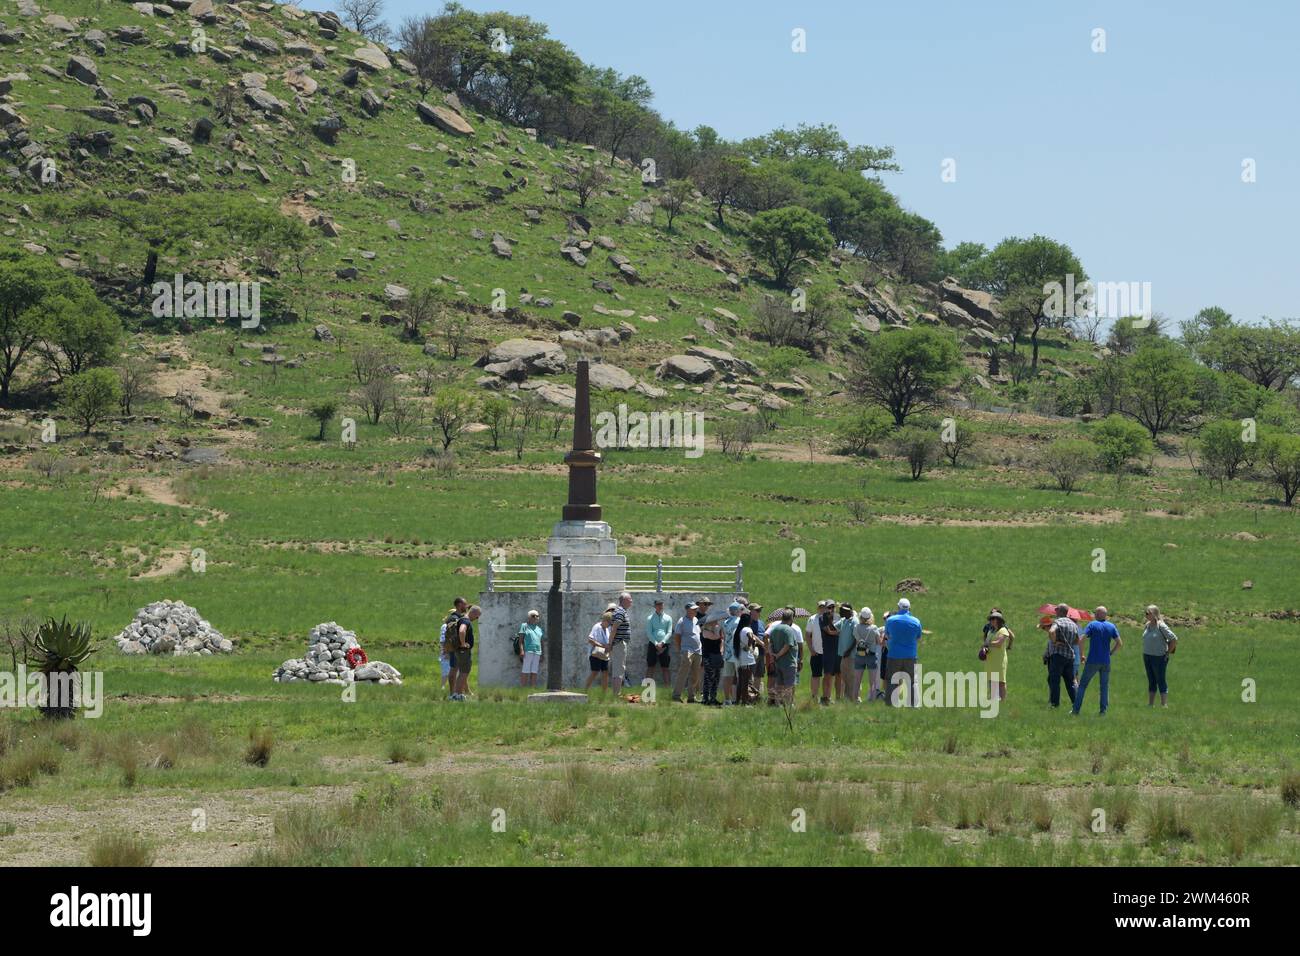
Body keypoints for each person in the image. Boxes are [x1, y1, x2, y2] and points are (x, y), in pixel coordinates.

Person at [1072, 606, 1122, 716]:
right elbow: (1119, 643)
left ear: (1098, 614)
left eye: (1095, 613)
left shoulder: (1092, 625)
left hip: (1093, 660)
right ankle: (1103, 711)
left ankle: (1076, 710)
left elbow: (1081, 639)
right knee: (1104, 687)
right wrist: (1111, 653)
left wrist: (1082, 654)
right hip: (1106, 661)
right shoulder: (1111, 626)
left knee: (1083, 685)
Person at [884, 598, 922, 707]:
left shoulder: (890, 620)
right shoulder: (916, 621)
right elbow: (918, 637)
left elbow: (887, 635)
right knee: (912, 681)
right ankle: (914, 705)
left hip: (894, 655)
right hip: (911, 655)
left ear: (898, 607)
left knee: (892, 680)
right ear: (909, 608)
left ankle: (890, 705)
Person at [1141, 605, 1177, 707]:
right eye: (1146, 613)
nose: (1146, 615)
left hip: (1159, 657)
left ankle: (1163, 704)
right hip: (1147, 655)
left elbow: (1173, 639)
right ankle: (1150, 704)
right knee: (1151, 679)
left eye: (1148, 613)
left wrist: (1167, 652)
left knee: (1160, 679)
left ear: (1155, 614)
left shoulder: (1161, 626)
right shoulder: (1147, 625)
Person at [1045, 604, 1079, 708]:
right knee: (1070, 682)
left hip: (1058, 655)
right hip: (1070, 656)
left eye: (1056, 610)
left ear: (1060, 611)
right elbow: (1077, 641)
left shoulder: (1058, 622)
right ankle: (1076, 704)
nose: (1055, 612)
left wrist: (1055, 642)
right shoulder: (1073, 624)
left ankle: (1055, 704)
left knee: (1054, 680)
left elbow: (1051, 631)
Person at [767, 608, 801, 705]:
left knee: (779, 685)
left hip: (778, 663)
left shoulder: (775, 629)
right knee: (789, 686)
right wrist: (777, 655)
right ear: (791, 619)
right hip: (789, 662)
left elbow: (770, 644)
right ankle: (788, 705)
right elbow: (788, 645)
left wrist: (772, 655)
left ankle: (778, 704)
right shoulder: (788, 630)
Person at [671, 602, 703, 703]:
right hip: (687, 650)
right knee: (683, 673)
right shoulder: (682, 621)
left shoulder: (696, 620)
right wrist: (681, 649)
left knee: (695, 674)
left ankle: (691, 697)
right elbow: (677, 636)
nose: (695, 611)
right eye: (693, 609)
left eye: (696, 609)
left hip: (698, 650)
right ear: (688, 610)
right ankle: (676, 695)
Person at [849, 607, 880, 703]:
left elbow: (857, 640)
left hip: (860, 654)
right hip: (871, 655)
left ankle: (856, 699)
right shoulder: (874, 628)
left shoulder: (856, 627)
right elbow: (878, 641)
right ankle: (872, 699)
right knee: (873, 681)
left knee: (857, 679)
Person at [450, 605, 480, 701]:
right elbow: (462, 631)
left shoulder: (462, 619)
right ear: (474, 613)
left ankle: (456, 694)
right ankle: (458, 695)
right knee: (464, 673)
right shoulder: (466, 621)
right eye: (477, 616)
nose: (477, 619)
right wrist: (463, 644)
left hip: (459, 650)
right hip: (463, 651)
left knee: (462, 672)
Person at [982, 609, 1012, 701]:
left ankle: (1002, 700)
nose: (991, 621)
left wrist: (987, 644)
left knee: (1001, 681)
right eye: (990, 619)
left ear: (997, 620)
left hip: (999, 659)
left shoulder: (1003, 630)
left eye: (992, 619)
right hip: (990, 659)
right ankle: (994, 698)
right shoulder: (991, 631)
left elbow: (999, 643)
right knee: (992, 679)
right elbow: (986, 642)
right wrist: (984, 648)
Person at [699, 600, 723, 706]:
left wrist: (721, 650)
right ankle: (705, 698)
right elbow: (716, 637)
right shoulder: (705, 632)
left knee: (716, 678)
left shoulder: (715, 629)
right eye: (715, 621)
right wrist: (719, 631)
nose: (717, 623)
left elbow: (721, 640)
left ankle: (713, 697)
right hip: (708, 656)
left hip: (717, 655)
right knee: (709, 677)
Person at [646, 598, 673, 690]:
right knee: (650, 667)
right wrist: (656, 643)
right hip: (653, 644)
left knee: (665, 667)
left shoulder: (668, 618)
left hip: (664, 645)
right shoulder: (650, 618)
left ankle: (667, 690)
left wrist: (662, 642)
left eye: (661, 604)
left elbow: (669, 632)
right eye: (658, 605)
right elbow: (649, 633)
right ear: (655, 606)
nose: (660, 606)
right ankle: (648, 690)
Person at [442, 596, 467, 696]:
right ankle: (453, 693)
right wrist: (461, 645)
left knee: (458, 669)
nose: (466, 606)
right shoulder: (454, 618)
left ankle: (457, 692)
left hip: (456, 648)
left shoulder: (455, 617)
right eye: (465, 604)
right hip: (457, 648)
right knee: (454, 669)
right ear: (460, 605)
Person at [817, 600, 841, 705]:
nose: (831, 609)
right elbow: (829, 631)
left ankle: (836, 697)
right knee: (827, 675)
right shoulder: (822, 618)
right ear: (826, 608)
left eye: (833, 607)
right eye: (829, 607)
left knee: (838, 674)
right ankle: (825, 696)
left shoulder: (838, 617)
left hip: (837, 650)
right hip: (828, 650)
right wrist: (840, 632)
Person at [610, 592, 633, 695]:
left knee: (619, 668)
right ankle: (616, 693)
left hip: (619, 643)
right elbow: (614, 628)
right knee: (619, 668)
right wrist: (610, 644)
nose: (631, 601)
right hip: (619, 643)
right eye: (630, 599)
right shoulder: (620, 612)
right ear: (624, 600)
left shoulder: (621, 611)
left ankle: (617, 692)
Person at [733, 610, 758, 705]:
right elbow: (751, 637)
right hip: (747, 658)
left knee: (740, 680)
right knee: (746, 681)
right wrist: (750, 645)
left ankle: (737, 700)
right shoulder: (747, 629)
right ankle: (744, 702)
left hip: (738, 657)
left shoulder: (737, 629)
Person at [585, 610, 613, 693]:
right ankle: (586, 690)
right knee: (595, 672)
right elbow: (590, 639)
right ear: (605, 621)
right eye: (609, 623)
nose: (609, 625)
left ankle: (604, 692)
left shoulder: (607, 630)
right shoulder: (597, 627)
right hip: (595, 654)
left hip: (604, 654)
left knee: (605, 672)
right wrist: (602, 646)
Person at [720, 601, 742, 705]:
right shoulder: (739, 621)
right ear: (737, 611)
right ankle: (737, 699)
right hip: (737, 652)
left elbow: (724, 636)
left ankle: (727, 699)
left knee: (727, 676)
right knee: (740, 677)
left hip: (727, 653)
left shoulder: (725, 622)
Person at [805, 602, 827, 703]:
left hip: (828, 653)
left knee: (827, 676)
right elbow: (808, 635)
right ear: (818, 608)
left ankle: (825, 696)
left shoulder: (830, 619)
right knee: (815, 675)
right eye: (820, 607)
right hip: (816, 652)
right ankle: (814, 696)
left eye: (824, 607)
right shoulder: (812, 619)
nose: (822, 609)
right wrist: (811, 649)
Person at [517, 609, 543, 688]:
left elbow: (541, 642)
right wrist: (521, 650)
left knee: (534, 671)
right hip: (528, 651)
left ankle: (532, 688)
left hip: (537, 651)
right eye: (533, 616)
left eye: (537, 616)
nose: (535, 617)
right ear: (529, 617)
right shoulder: (524, 626)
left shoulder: (539, 629)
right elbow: (520, 640)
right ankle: (523, 688)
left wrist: (542, 653)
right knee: (525, 670)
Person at [836, 603, 856, 701]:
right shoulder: (843, 621)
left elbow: (857, 639)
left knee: (851, 678)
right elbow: (833, 628)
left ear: (847, 611)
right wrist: (827, 619)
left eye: (841, 611)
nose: (839, 612)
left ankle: (852, 699)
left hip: (851, 655)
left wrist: (849, 650)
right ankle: (847, 699)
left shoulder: (854, 621)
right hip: (843, 655)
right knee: (845, 678)